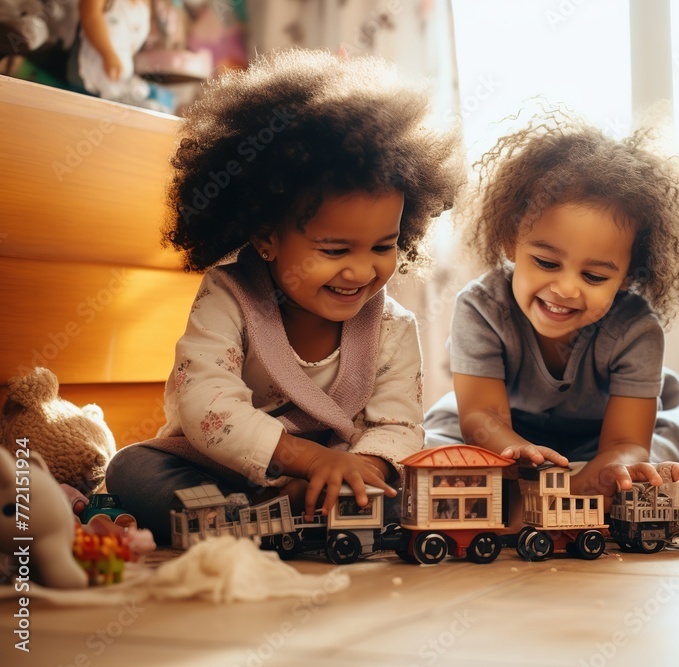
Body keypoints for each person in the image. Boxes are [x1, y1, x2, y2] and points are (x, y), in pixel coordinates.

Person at [106, 49, 464, 544]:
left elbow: (400, 424)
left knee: (401, 492)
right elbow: (208, 405)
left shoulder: (394, 328)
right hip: (223, 468)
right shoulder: (228, 296)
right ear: (266, 237)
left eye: (385, 246)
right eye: (335, 249)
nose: (362, 269)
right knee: (131, 470)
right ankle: (254, 515)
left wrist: (355, 468)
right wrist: (308, 459)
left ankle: (295, 514)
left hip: (335, 477)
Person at [423, 111, 679, 500]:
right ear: (510, 242)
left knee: (658, 457)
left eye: (594, 277)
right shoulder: (482, 308)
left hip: (606, 435)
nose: (565, 289)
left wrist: (596, 475)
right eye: (547, 263)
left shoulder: (636, 329)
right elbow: (482, 418)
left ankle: (560, 495)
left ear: (628, 278)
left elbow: (626, 441)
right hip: (508, 427)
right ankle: (549, 490)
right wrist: (516, 451)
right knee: (434, 448)